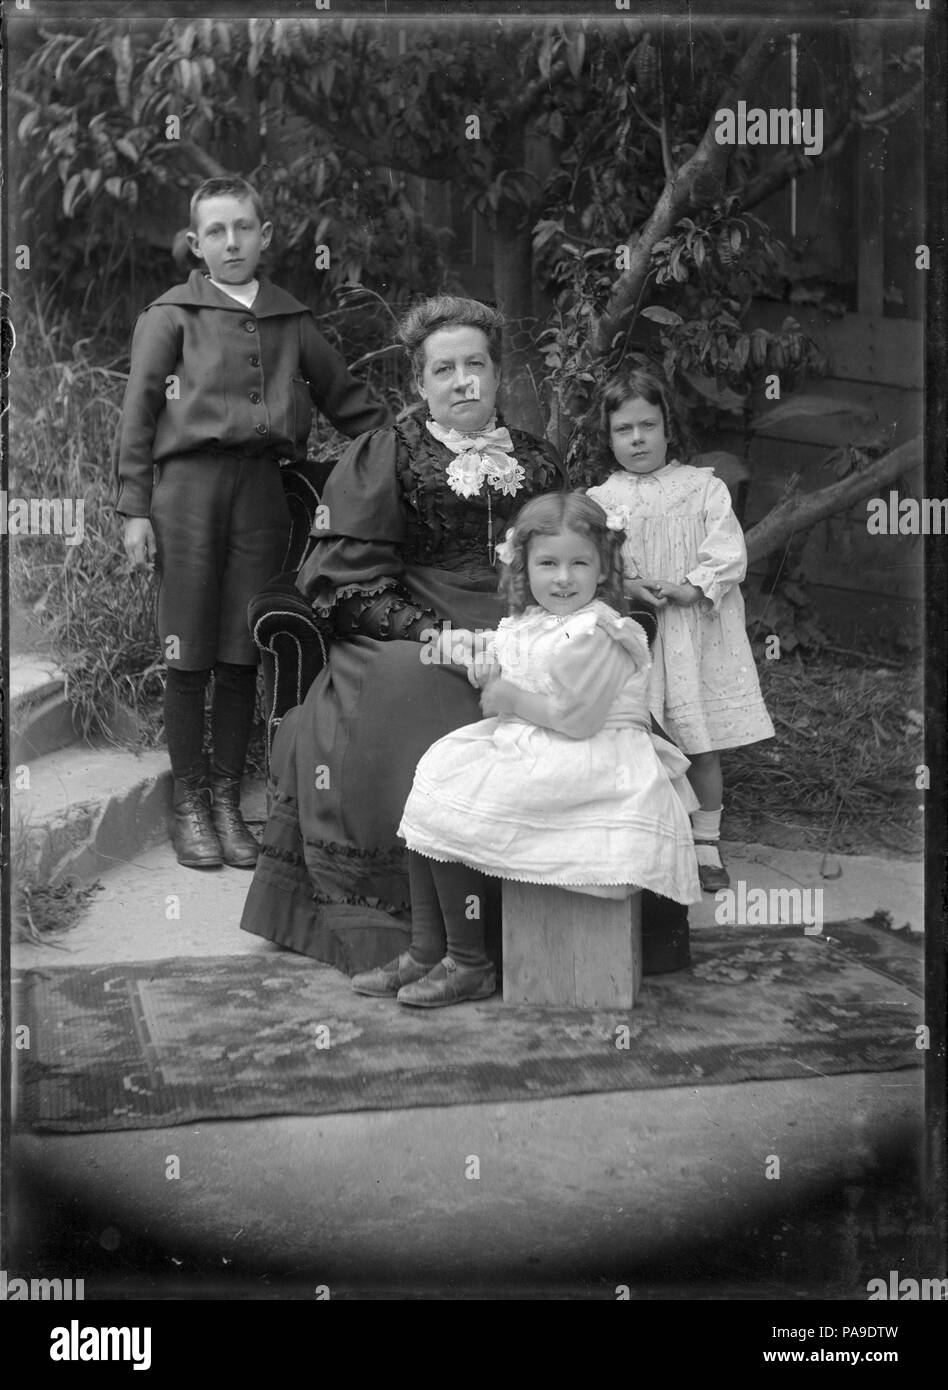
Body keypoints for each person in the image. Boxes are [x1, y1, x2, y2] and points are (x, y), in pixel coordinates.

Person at [238, 295, 565, 971]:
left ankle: (551, 918)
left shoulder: (539, 459)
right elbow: (350, 588)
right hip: (411, 627)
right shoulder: (386, 454)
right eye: (444, 370)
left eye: (476, 365)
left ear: (499, 375)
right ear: (419, 384)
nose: (463, 381)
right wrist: (442, 639)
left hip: (525, 625)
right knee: (411, 697)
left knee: (580, 698)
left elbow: (575, 565)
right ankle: (426, 935)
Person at [116, 176, 392, 871]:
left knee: (242, 650)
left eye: (243, 228)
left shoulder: (289, 318)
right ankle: (190, 802)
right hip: (185, 494)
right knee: (189, 649)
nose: (231, 242)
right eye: (216, 231)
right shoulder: (171, 314)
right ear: (195, 241)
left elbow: (351, 405)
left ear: (265, 235)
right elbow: (139, 414)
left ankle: (230, 805)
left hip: (260, 496)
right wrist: (133, 510)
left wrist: (415, 454)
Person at [351, 492, 701, 1008]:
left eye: (579, 563)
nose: (563, 578)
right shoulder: (533, 622)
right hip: (539, 745)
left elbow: (578, 720)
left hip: (592, 762)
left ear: (603, 569)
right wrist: (481, 660)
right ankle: (428, 950)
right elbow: (511, 655)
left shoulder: (599, 631)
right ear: (524, 567)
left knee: (455, 804)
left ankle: (469, 963)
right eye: (548, 564)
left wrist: (509, 696)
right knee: (435, 780)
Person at [587, 364, 774, 892]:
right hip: (638, 635)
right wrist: (628, 585)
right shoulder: (600, 500)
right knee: (639, 737)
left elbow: (728, 551)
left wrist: (691, 586)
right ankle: (647, 837)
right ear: (608, 437)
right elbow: (591, 561)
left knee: (698, 741)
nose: (638, 438)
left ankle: (707, 842)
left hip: (691, 631)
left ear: (669, 427)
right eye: (624, 430)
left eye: (648, 425)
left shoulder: (702, 489)